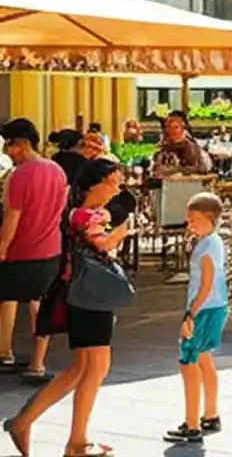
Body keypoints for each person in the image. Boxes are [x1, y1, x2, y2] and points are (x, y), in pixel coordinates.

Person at [4, 158, 132, 457]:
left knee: (84, 368)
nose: (117, 186)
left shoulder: (80, 213)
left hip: (82, 294)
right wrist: (122, 233)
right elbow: (103, 244)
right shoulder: (87, 216)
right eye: (113, 179)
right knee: (94, 367)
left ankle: (29, 422)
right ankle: (73, 440)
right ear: (97, 182)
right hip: (88, 297)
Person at [0, 119, 68, 386]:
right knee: (39, 303)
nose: (7, 152)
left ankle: (5, 353)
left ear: (22, 143)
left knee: (7, 297)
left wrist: (2, 248)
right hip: (50, 249)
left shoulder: (18, 176)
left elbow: (11, 218)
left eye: (9, 145)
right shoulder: (57, 171)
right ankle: (37, 364)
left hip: (20, 251)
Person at [164, 193, 229, 444]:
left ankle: (192, 424)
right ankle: (210, 414)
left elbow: (206, 283)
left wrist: (191, 313)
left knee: (188, 360)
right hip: (216, 306)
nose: (189, 225)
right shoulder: (215, 241)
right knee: (204, 358)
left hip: (203, 309)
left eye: (194, 220)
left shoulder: (205, 247)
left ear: (210, 219)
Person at [153, 112, 212, 176]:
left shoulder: (190, 147)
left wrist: (175, 170)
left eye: (176, 127)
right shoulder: (163, 150)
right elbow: (157, 169)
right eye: (169, 127)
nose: (172, 131)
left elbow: (197, 168)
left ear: (182, 129)